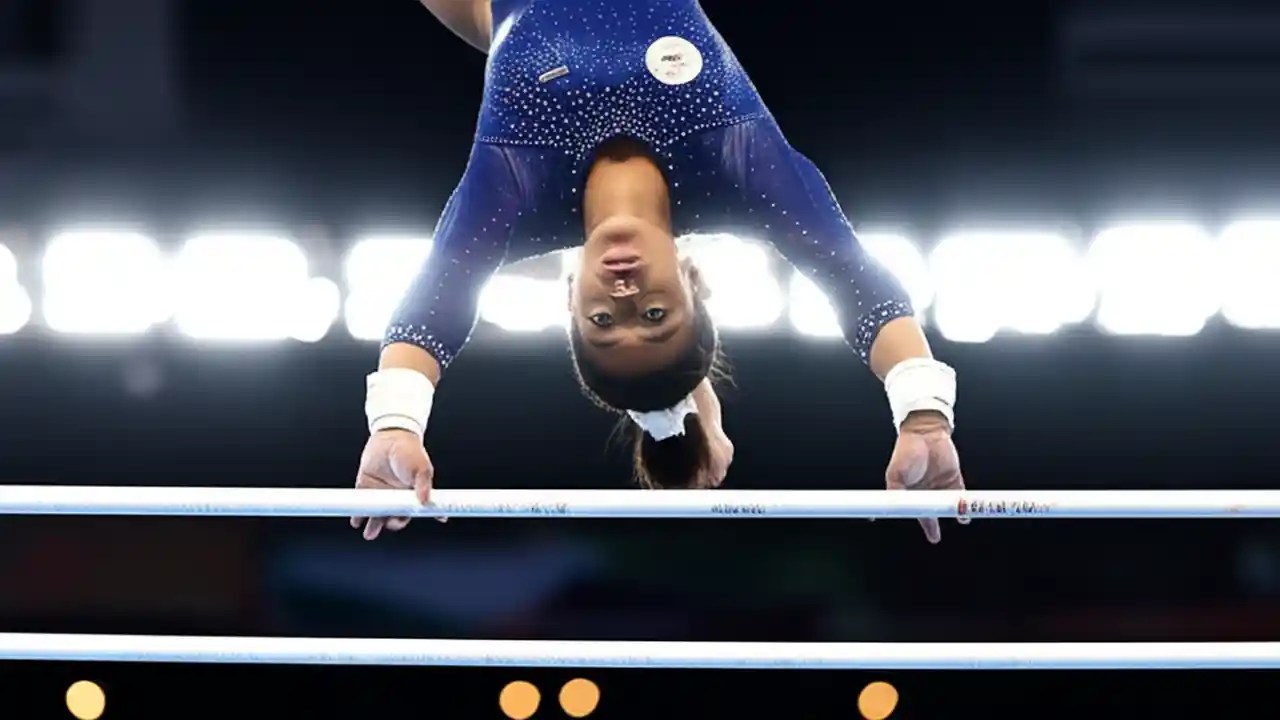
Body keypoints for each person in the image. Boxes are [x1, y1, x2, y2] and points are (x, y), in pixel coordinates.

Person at [352, 0, 965, 542]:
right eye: (653, 314)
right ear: (698, 286)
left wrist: (396, 425)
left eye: (602, 319)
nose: (624, 291)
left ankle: (673, 395)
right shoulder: (733, 161)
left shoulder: (517, 187)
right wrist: (924, 415)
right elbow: (849, 275)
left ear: (568, 296)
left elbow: (431, 313)